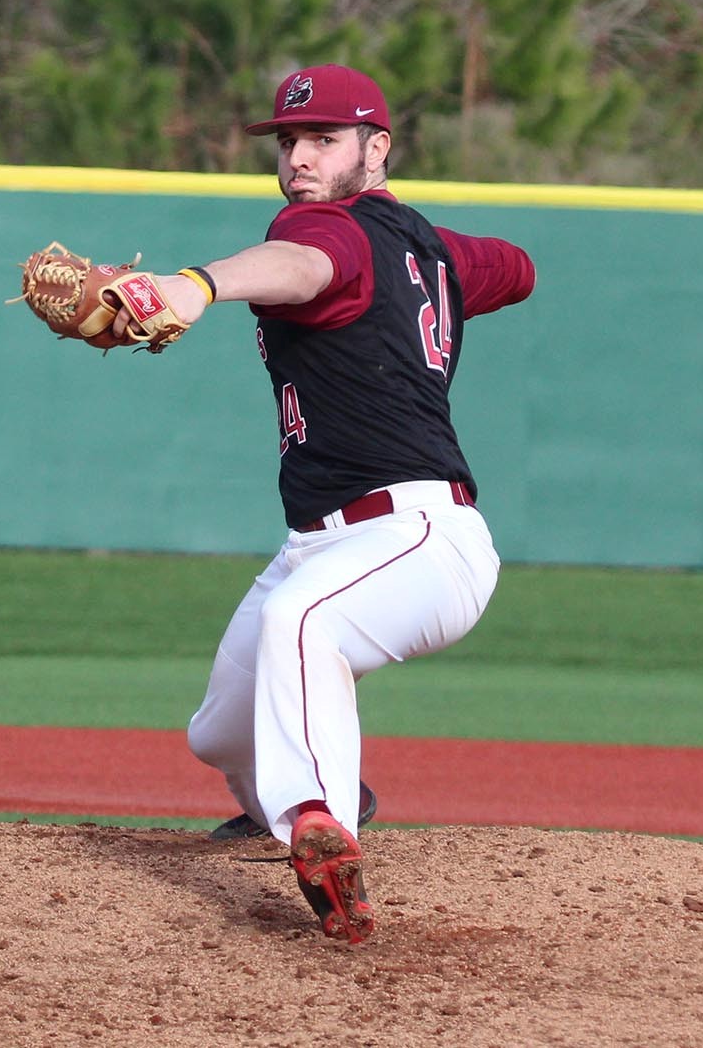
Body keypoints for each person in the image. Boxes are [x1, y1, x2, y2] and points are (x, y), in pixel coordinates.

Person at [111, 64, 535, 943]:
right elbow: (518, 269)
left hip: (421, 536)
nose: (299, 157)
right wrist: (438, 265)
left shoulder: (322, 228)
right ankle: (339, 796)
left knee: (302, 622)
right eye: (290, 141)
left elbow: (303, 263)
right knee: (221, 735)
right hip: (322, 540)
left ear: (376, 149)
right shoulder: (431, 248)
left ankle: (320, 824)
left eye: (325, 139)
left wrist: (194, 284)